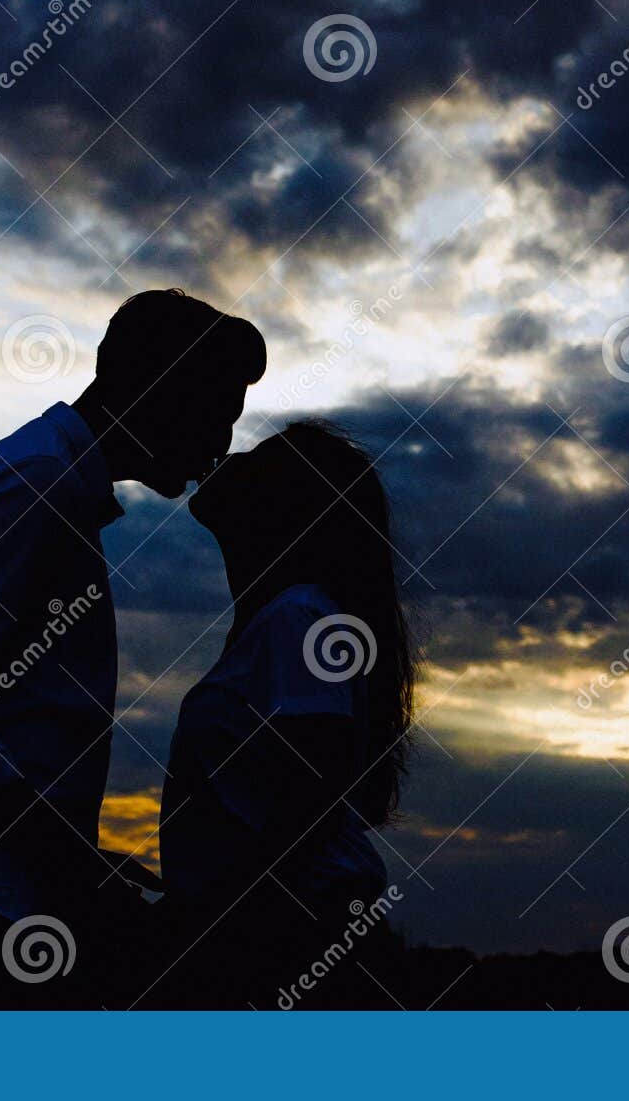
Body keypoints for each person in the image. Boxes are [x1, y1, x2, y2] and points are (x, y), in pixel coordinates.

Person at [0, 290, 265, 1008]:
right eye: (217, 411)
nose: (221, 444)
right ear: (160, 390)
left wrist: (74, 861)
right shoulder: (36, 483)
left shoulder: (51, 483)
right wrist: (71, 860)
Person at [152, 421, 416, 1007]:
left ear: (279, 508)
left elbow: (310, 797)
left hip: (293, 938)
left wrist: (215, 915)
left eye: (255, 458)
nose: (230, 458)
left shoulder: (296, 619)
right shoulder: (286, 622)